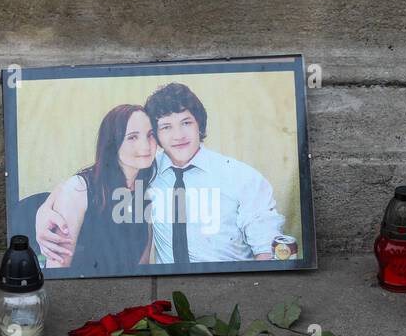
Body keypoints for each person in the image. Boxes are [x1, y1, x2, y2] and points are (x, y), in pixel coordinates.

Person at [141, 82, 284, 264]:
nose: (178, 135)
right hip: (170, 287)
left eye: (186, 122)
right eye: (166, 127)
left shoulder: (243, 177)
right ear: (156, 135)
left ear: (199, 125)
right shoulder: (145, 172)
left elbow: (266, 251)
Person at [32, 104, 156, 272]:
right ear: (112, 143)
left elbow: (143, 267)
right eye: (132, 137)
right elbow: (57, 271)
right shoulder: (79, 189)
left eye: (150, 135)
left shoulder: (147, 189)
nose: (146, 146)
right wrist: (45, 208)